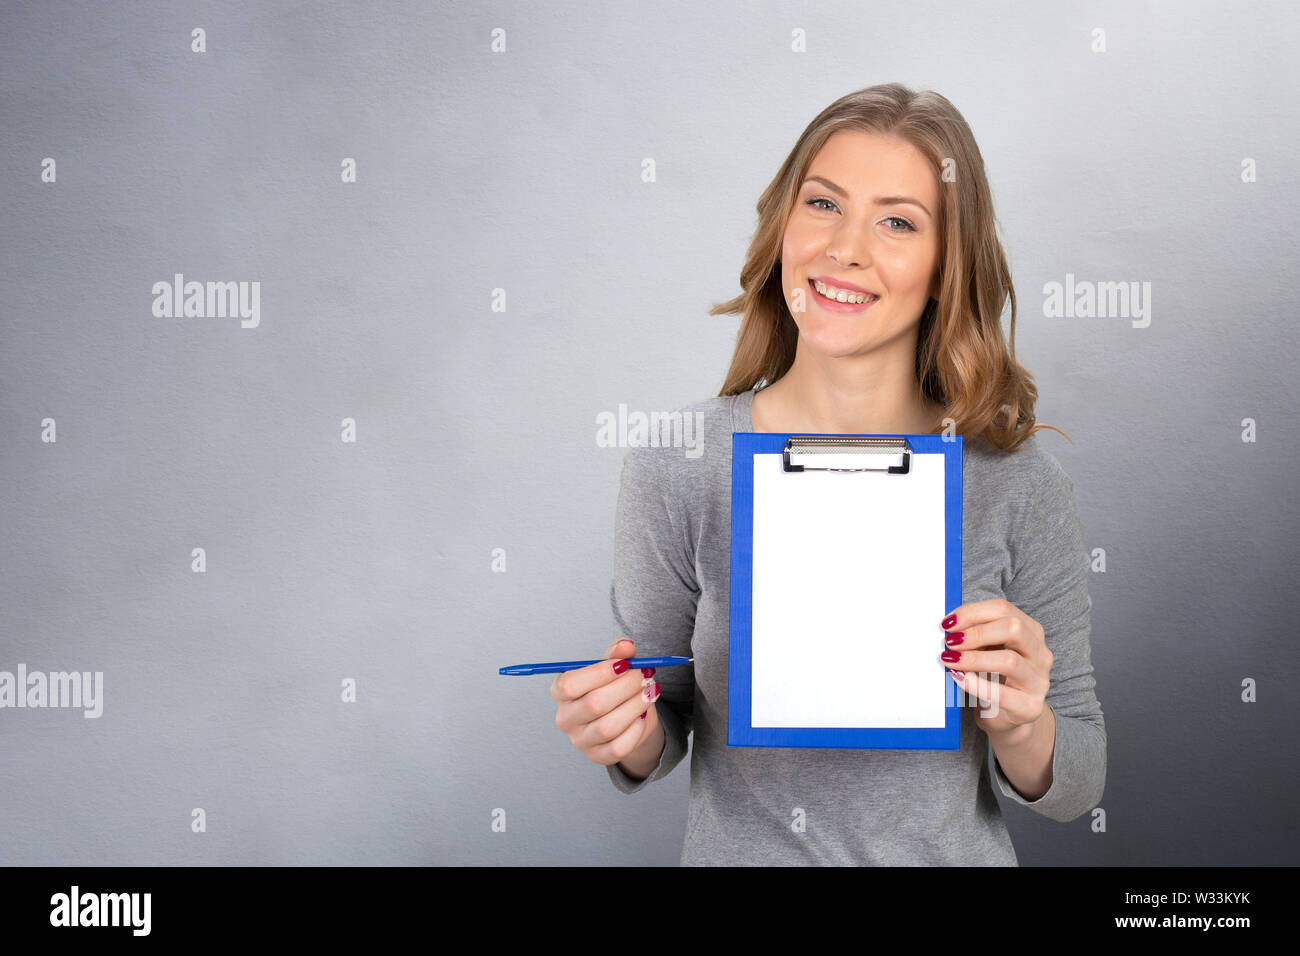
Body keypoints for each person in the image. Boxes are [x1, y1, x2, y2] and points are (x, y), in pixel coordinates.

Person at [551, 83, 1106, 865]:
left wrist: (1022, 722)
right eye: (822, 205)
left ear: (947, 266)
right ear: (782, 224)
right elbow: (661, 724)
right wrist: (624, 728)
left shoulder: (1017, 483)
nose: (845, 248)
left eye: (897, 221)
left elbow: (1079, 782)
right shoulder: (675, 465)